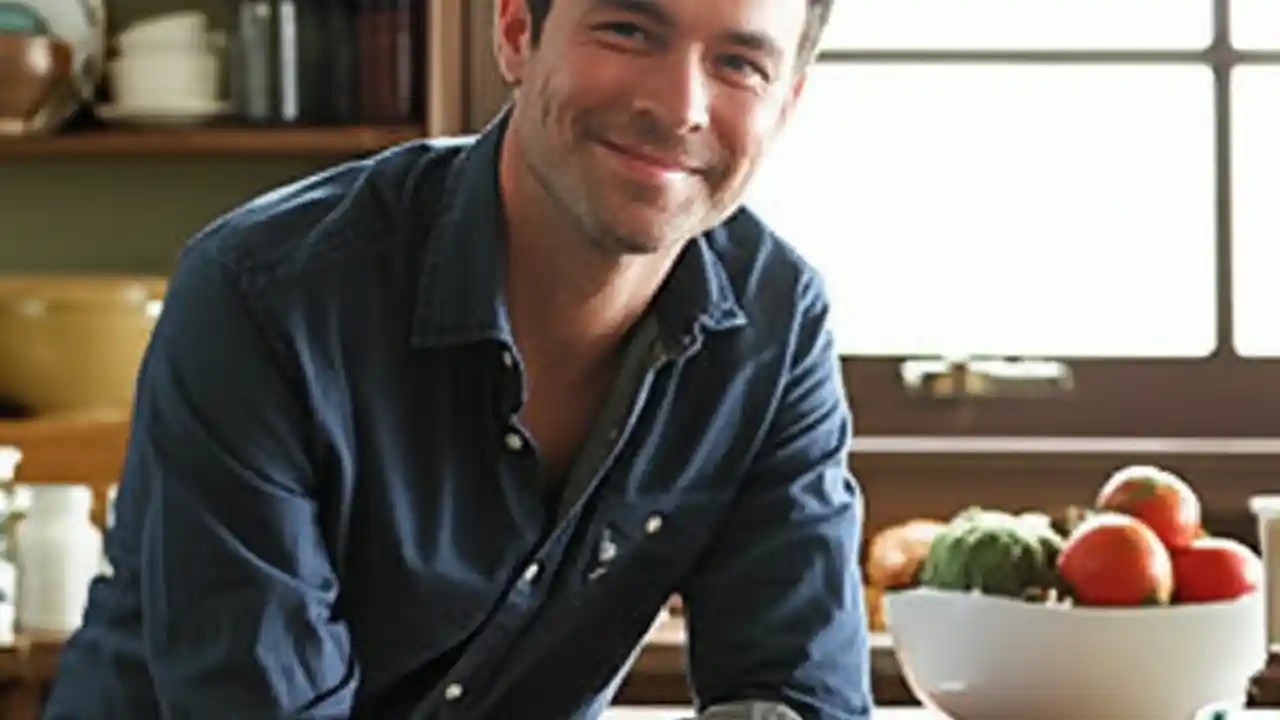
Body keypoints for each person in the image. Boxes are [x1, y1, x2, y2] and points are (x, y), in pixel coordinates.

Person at [43, 0, 872, 717]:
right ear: (516, 31)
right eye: (626, 29)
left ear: (786, 103)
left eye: (739, 63)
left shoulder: (775, 325)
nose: (679, 104)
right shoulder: (264, 297)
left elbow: (795, 692)